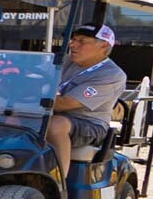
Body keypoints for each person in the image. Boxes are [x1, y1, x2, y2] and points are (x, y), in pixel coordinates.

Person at [46, 23, 126, 180]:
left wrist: (28, 95)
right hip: (49, 113)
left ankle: (57, 182)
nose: (73, 44)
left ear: (103, 45)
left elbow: (65, 104)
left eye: (82, 41)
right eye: (73, 39)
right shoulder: (66, 61)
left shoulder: (112, 74)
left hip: (89, 123)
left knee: (55, 125)